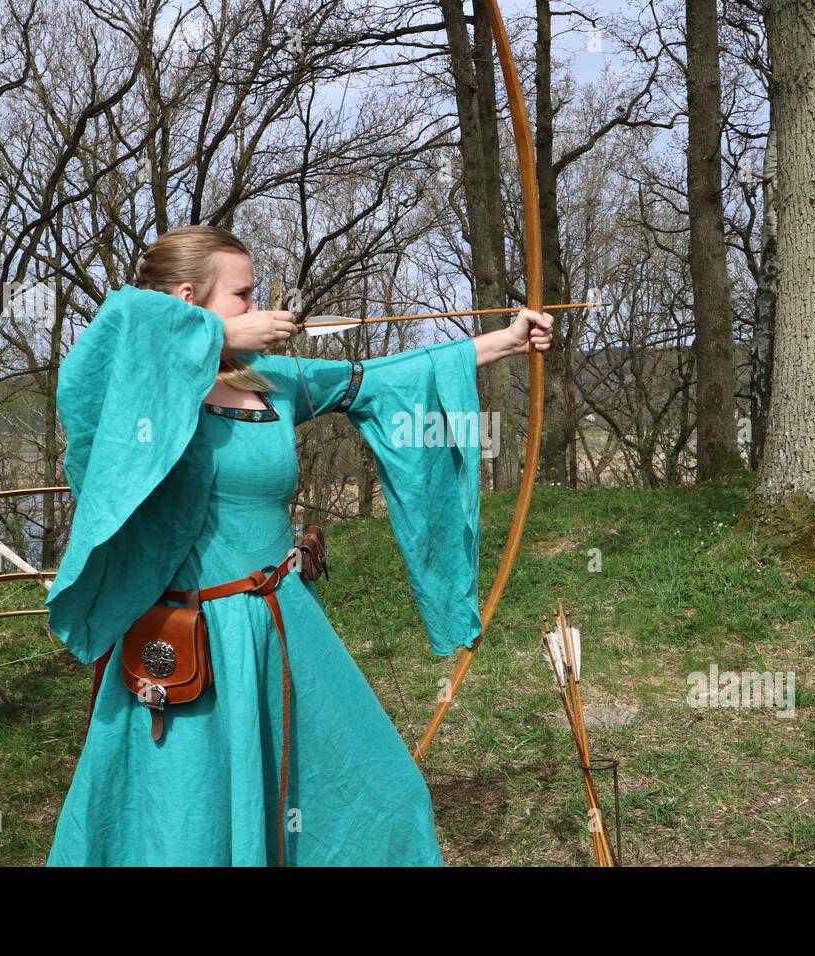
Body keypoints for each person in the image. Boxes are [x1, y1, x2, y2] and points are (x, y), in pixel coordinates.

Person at [43, 224, 552, 866]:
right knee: (188, 831)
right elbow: (103, 351)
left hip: (286, 627)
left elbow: (373, 379)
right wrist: (218, 336)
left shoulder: (272, 383)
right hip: (196, 638)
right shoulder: (142, 391)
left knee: (390, 793)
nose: (259, 311)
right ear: (184, 299)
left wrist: (502, 342)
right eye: (243, 297)